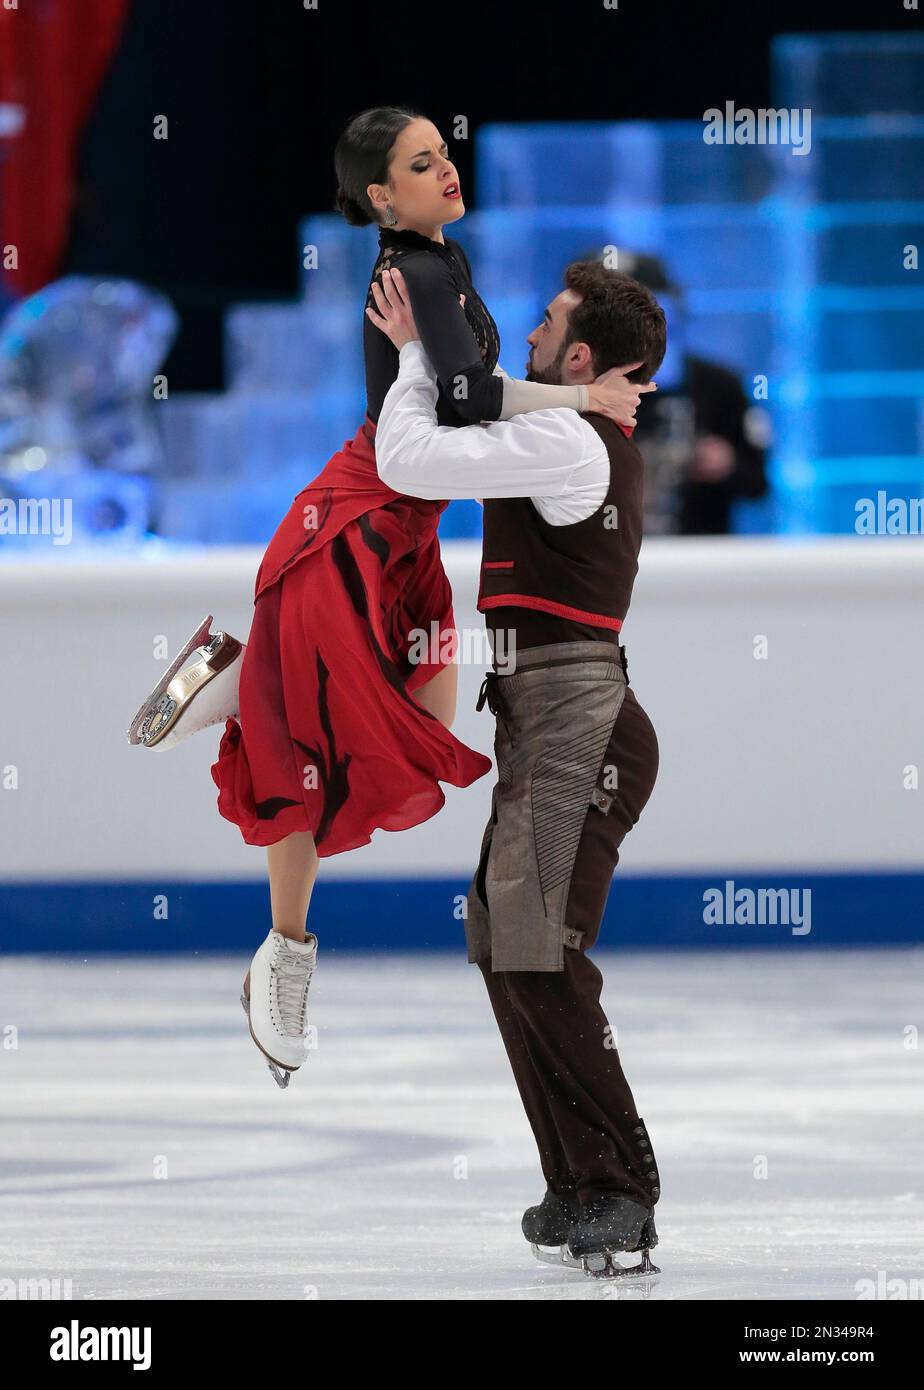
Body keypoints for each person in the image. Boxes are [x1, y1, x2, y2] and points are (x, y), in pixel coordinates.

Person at [125, 107, 646, 1090]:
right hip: (360, 518)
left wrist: (545, 399)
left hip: (402, 525)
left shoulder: (437, 267)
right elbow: (458, 400)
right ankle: (284, 954)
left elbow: (466, 388)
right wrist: (582, 400)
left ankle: (248, 678)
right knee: (310, 755)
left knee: (425, 721)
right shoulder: (417, 273)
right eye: (420, 163)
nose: (445, 169)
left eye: (444, 153)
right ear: (379, 197)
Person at [366, 257, 665, 1279]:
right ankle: (579, 1181)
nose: (530, 336)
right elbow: (471, 404)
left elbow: (412, 454)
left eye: (547, 323)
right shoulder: (567, 421)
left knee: (541, 951)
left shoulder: (565, 439)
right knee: (506, 941)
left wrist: (414, 350)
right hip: (545, 714)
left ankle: (620, 1187)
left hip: (580, 719)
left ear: (580, 352)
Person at [618, 252, 769, 534]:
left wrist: (727, 465)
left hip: (701, 559)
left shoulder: (719, 385)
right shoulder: (590, 389)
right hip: (617, 558)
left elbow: (759, 482)